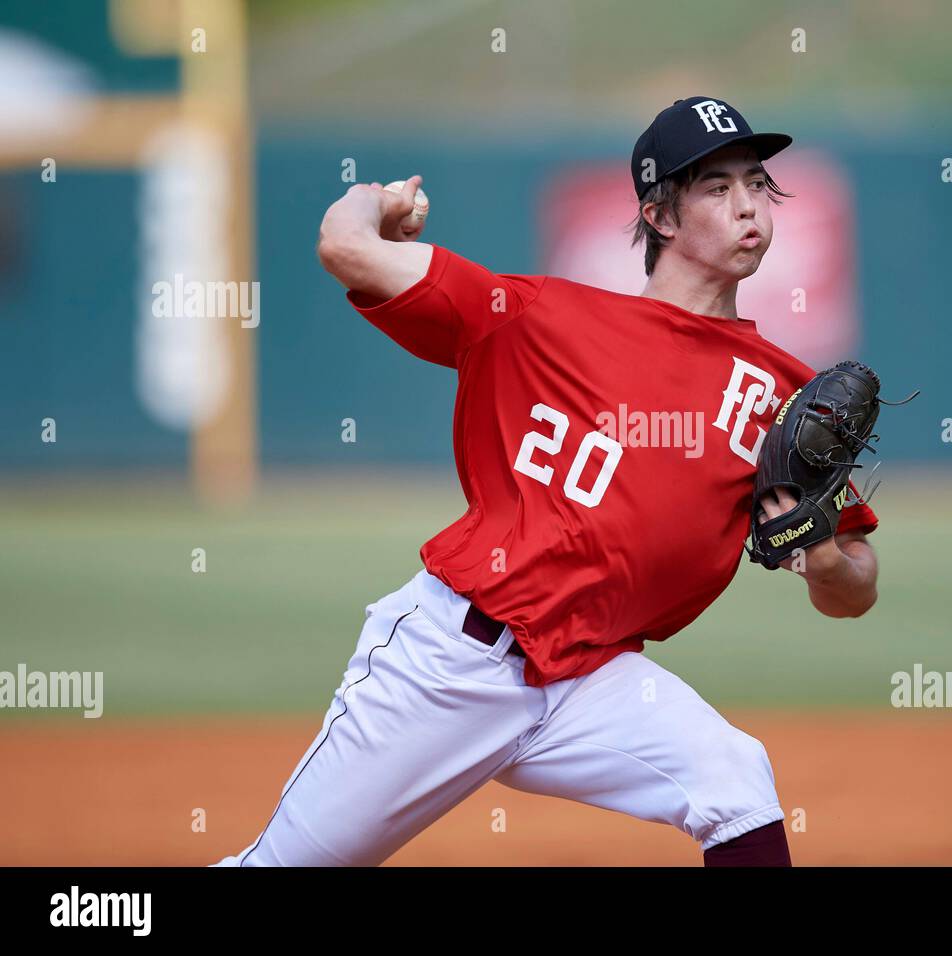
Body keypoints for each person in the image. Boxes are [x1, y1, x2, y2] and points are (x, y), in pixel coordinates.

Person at [216, 96, 879, 867]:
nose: (749, 206)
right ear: (660, 216)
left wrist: (822, 555)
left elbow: (855, 588)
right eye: (717, 187)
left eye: (758, 183)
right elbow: (343, 245)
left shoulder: (784, 395)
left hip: (589, 675)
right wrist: (377, 201)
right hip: (453, 661)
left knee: (734, 777)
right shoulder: (534, 315)